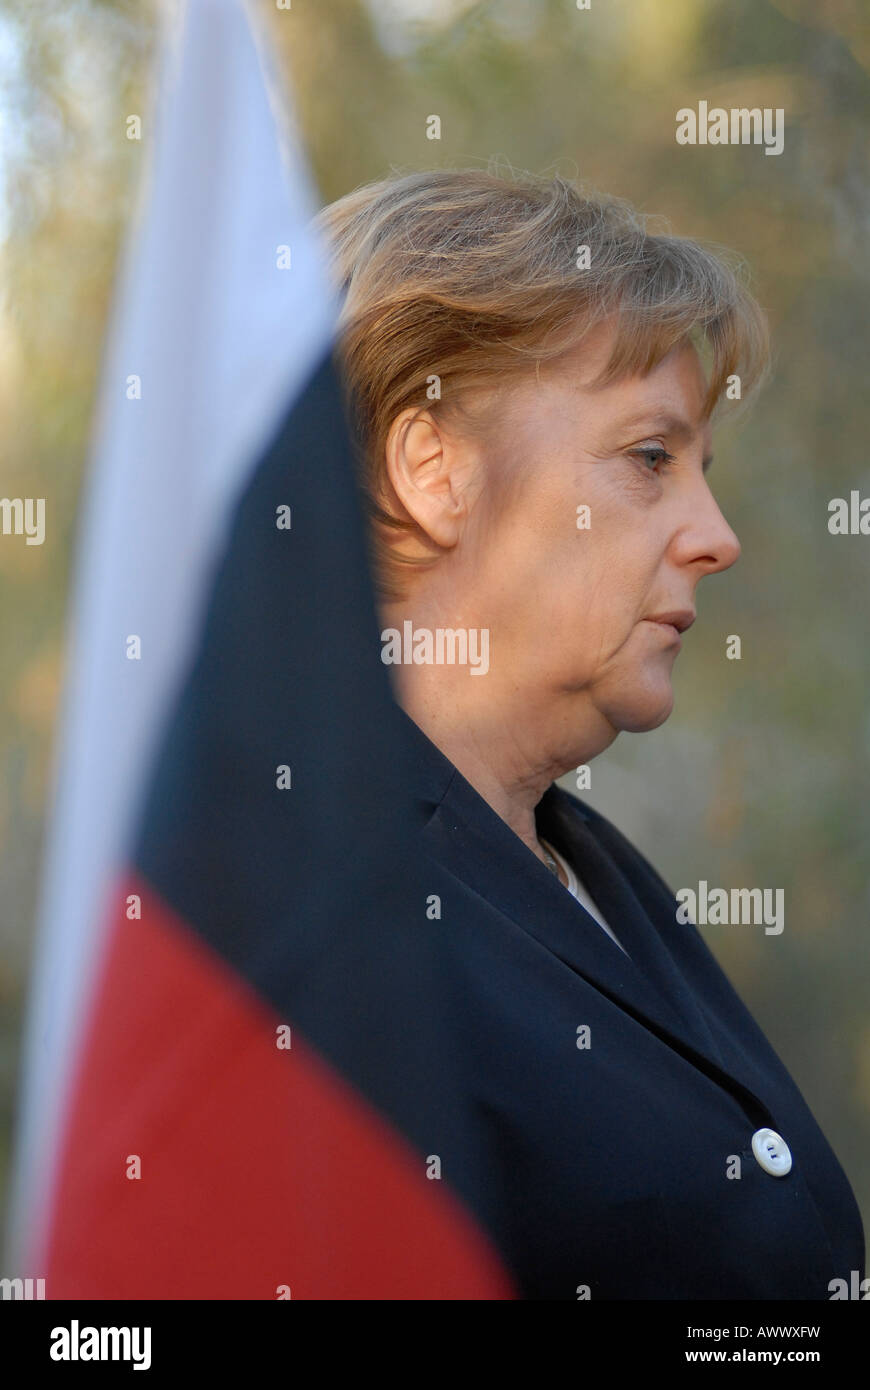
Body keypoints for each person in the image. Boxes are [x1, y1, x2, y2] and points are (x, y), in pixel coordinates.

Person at [313, 168, 866, 1299]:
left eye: (702, 469)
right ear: (435, 470)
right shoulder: (314, 925)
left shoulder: (601, 874)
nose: (716, 535)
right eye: (651, 457)